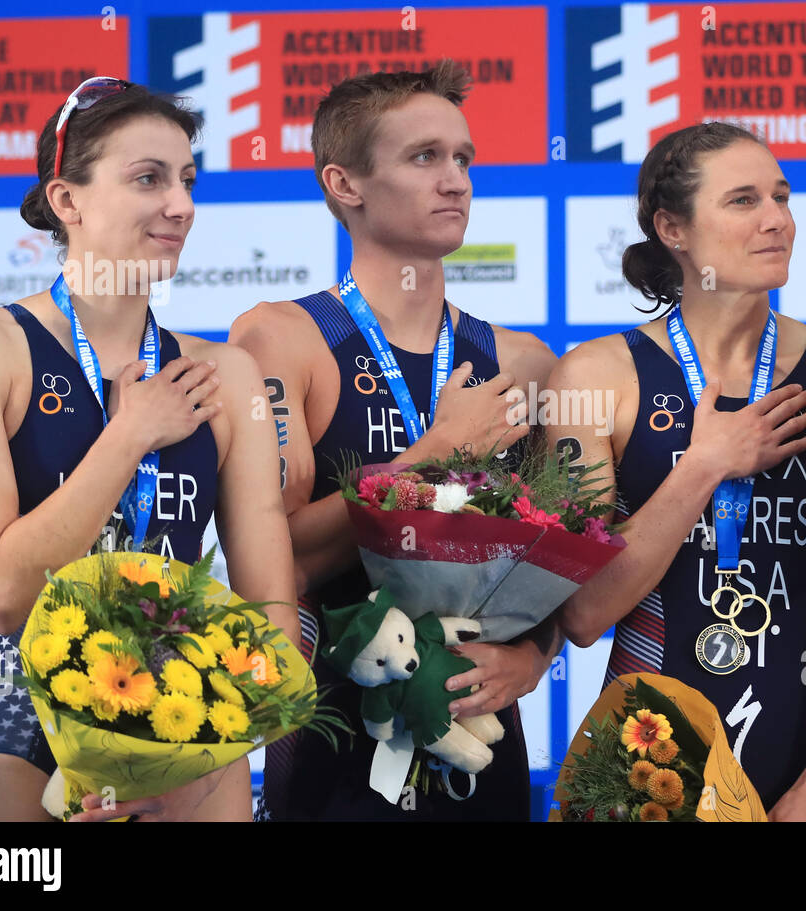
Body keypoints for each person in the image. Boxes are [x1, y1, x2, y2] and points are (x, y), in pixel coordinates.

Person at [0, 77, 296, 822]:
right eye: (148, 178)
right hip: (27, 723)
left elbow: (274, 623)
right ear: (67, 200)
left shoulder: (225, 375)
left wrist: (183, 763)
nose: (181, 205)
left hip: (195, 738)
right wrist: (129, 434)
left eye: (187, 179)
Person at [229, 61, 559, 821]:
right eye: (425, 157)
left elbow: (563, 566)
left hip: (481, 732)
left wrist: (531, 659)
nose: (456, 181)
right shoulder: (284, 338)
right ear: (345, 184)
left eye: (463, 158)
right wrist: (433, 453)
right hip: (330, 733)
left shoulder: (525, 362)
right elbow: (280, 560)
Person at [549, 121, 806, 817]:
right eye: (743, 201)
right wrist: (704, 465)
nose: (776, 220)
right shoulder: (599, 376)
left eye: (782, 197)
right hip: (642, 769)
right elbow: (583, 611)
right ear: (673, 228)